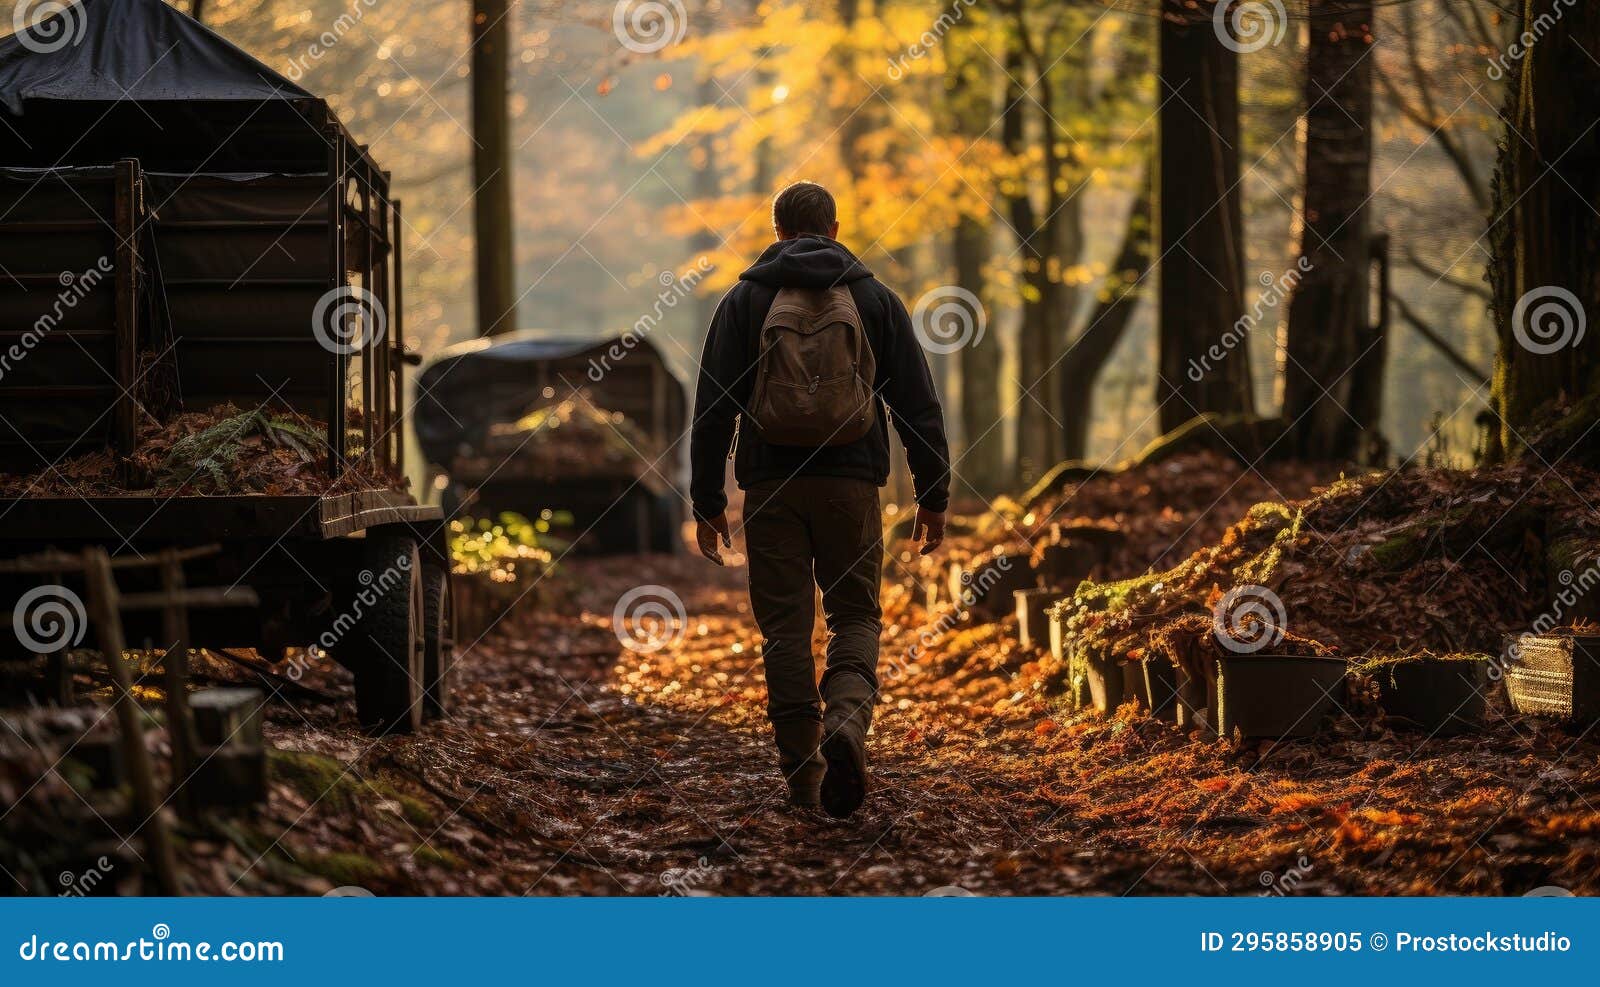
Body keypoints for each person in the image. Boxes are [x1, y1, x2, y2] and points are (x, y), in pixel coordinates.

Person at [689, 180, 950, 818]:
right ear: (834, 228)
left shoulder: (746, 300)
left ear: (778, 232)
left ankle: (803, 777)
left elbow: (714, 407)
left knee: (784, 630)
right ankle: (848, 725)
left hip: (771, 488)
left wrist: (707, 500)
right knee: (855, 618)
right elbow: (917, 403)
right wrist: (933, 494)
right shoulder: (874, 297)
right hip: (852, 485)